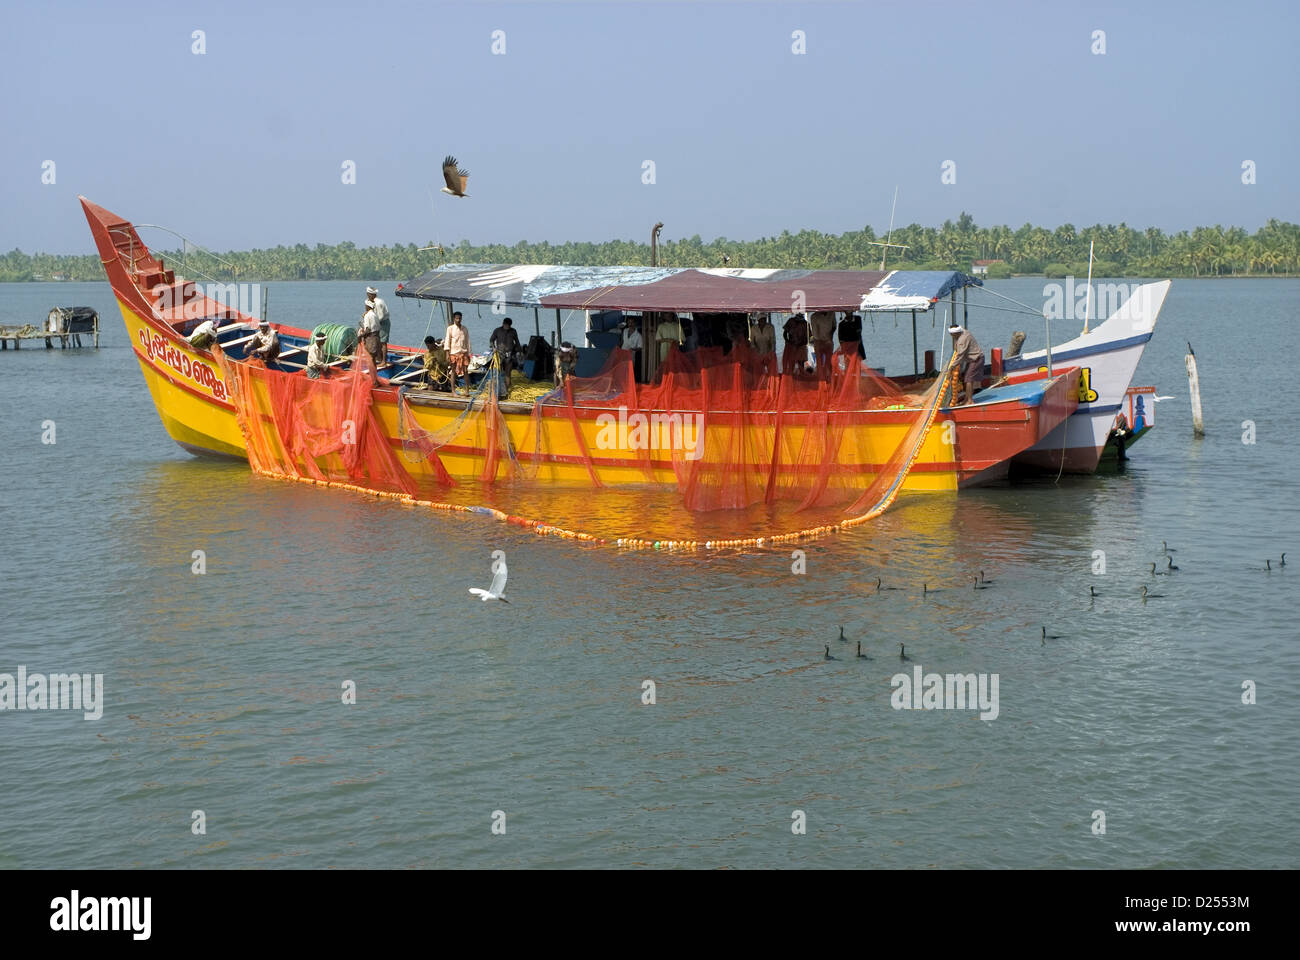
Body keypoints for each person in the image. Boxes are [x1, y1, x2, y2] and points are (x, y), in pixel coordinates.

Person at [948, 324, 985, 404]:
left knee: (968, 379)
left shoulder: (962, 339)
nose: (951, 336)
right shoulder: (964, 332)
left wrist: (951, 367)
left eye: (952, 334)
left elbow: (960, 355)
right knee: (966, 377)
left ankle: (970, 400)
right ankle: (966, 399)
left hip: (976, 359)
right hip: (971, 359)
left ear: (955, 333)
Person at [444, 311, 471, 391]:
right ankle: (453, 391)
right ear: (454, 319)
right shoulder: (450, 328)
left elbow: (468, 341)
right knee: (453, 372)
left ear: (461, 318)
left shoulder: (464, 329)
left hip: (463, 353)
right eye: (456, 318)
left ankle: (467, 390)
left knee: (466, 371)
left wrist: (469, 354)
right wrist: (447, 354)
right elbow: (447, 341)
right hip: (453, 353)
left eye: (459, 318)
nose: (458, 320)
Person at [365, 286, 390, 366]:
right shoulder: (372, 302)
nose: (368, 297)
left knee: (383, 342)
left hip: (383, 323)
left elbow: (381, 316)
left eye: (369, 295)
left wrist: (373, 321)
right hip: (377, 323)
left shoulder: (378, 303)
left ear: (372, 295)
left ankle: (384, 361)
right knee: (378, 341)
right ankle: (379, 358)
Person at [809, 310, 836, 375]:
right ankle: (821, 379)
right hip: (818, 342)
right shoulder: (814, 316)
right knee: (819, 363)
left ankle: (829, 379)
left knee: (829, 362)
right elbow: (815, 334)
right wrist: (822, 341)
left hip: (829, 341)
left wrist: (830, 336)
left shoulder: (831, 313)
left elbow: (834, 326)